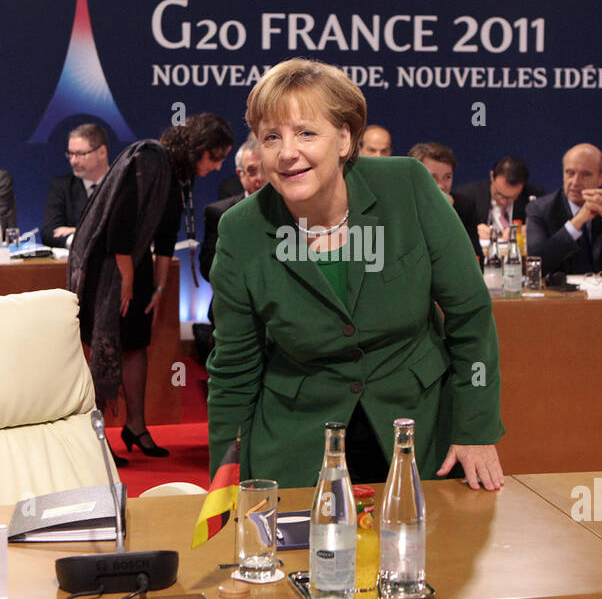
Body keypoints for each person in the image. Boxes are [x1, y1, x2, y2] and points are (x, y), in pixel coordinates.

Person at [206, 59, 505, 491]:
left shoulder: (408, 186)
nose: (287, 152)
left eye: (306, 133)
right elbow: (234, 369)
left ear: (345, 138)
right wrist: (225, 479)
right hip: (298, 443)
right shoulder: (240, 230)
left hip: (419, 429)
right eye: (271, 137)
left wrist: (475, 429)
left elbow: (470, 314)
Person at [69, 114, 233, 464]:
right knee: (105, 348)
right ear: (199, 148)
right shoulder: (149, 158)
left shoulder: (180, 174)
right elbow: (120, 224)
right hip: (110, 267)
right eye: (215, 157)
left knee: (136, 344)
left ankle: (136, 427)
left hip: (137, 263)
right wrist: (127, 279)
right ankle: (95, 440)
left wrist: (158, 288)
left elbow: (166, 236)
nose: (218, 166)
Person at [525, 142, 602, 274]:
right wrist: (577, 222)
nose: (575, 182)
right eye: (569, 173)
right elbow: (535, 265)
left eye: (585, 174)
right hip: (561, 287)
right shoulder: (540, 209)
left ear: (601, 178)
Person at [200, 135, 266, 282]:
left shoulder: (291, 209)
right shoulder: (219, 213)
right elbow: (208, 268)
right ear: (240, 174)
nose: (260, 178)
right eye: (252, 171)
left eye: (265, 169)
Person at [407, 141, 480, 259]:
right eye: (432, 177)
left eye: (447, 177)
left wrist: (448, 215)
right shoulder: (402, 208)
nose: (441, 186)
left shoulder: (464, 207)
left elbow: (476, 259)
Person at [43, 123, 110, 248]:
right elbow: (49, 233)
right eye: (70, 154)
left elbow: (125, 231)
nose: (73, 161)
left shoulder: (123, 185)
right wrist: (75, 241)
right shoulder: (62, 186)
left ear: (102, 152)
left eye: (80, 154)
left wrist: (77, 231)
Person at [454, 155, 542, 241]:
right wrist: (471, 230)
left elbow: (545, 228)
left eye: (511, 198)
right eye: (499, 194)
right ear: (492, 176)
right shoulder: (467, 195)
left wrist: (532, 229)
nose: (504, 202)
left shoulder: (534, 196)